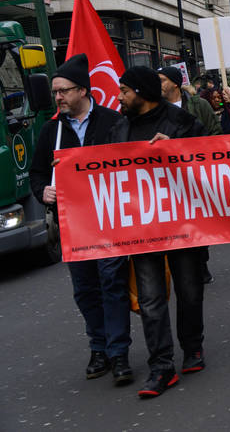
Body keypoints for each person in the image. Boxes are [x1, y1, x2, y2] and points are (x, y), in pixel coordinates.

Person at [30, 54, 134, 386]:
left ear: (83, 91)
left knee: (113, 285)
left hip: (109, 222)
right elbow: (37, 174)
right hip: (73, 227)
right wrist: (42, 191)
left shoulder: (113, 123)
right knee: (85, 290)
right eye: (55, 92)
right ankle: (99, 347)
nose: (57, 97)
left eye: (63, 91)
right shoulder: (51, 131)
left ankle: (118, 353)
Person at [116, 65, 207, 397]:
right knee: (151, 299)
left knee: (189, 290)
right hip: (141, 229)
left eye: (124, 91)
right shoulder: (120, 127)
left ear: (141, 92)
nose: (119, 96)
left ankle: (193, 347)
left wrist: (177, 148)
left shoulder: (181, 122)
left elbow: (209, 159)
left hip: (183, 223)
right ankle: (161, 367)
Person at [158, 66, 218, 284]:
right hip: (170, 178)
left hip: (195, 173)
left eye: (162, 80)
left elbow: (214, 133)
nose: (159, 84)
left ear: (174, 83)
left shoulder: (198, 105)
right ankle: (186, 266)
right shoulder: (157, 109)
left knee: (199, 221)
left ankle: (200, 261)